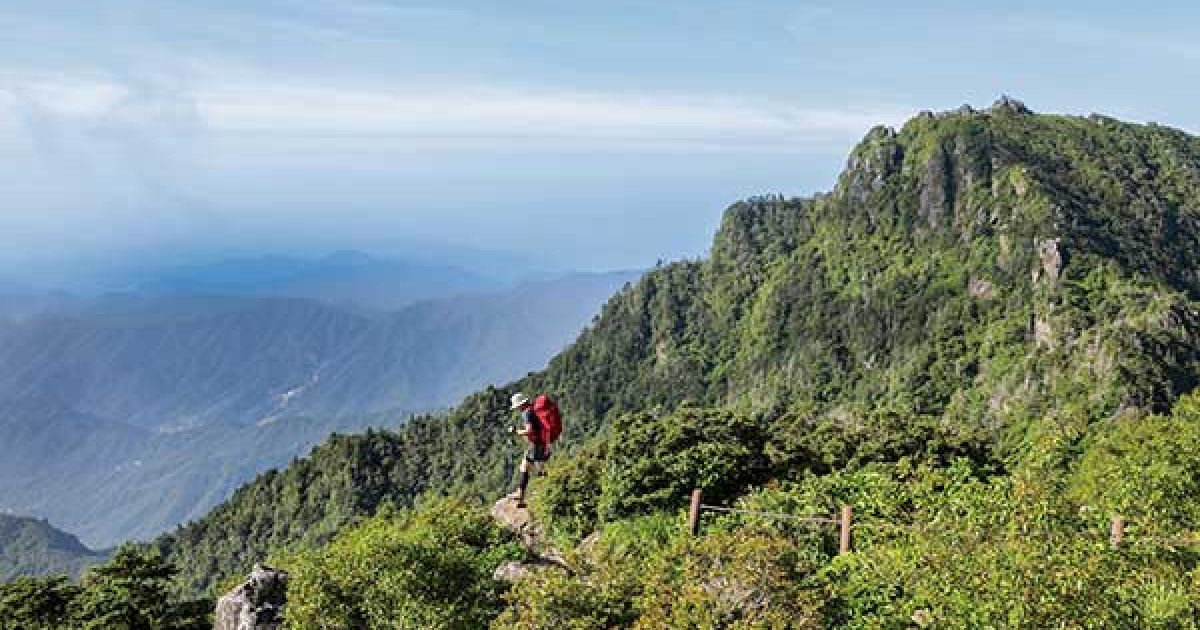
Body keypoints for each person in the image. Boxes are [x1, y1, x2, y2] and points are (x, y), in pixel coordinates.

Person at [507, 392, 550, 507]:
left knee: (537, 469)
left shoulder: (527, 413)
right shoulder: (533, 409)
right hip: (541, 442)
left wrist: (516, 432)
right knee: (527, 467)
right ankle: (521, 497)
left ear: (520, 405)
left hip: (536, 444)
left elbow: (529, 430)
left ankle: (546, 490)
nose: (517, 409)